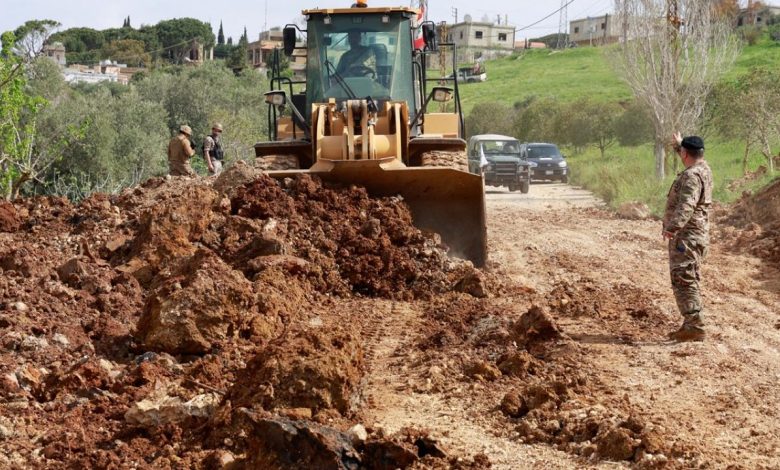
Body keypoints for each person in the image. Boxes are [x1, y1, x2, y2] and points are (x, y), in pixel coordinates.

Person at [662, 132, 713, 342]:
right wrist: (679, 144)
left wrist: (672, 227)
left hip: (687, 237)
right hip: (696, 235)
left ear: (685, 154)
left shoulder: (691, 176)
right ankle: (691, 323)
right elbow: (689, 154)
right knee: (687, 276)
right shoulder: (704, 168)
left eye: (681, 151)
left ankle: (695, 325)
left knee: (683, 278)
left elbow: (687, 205)